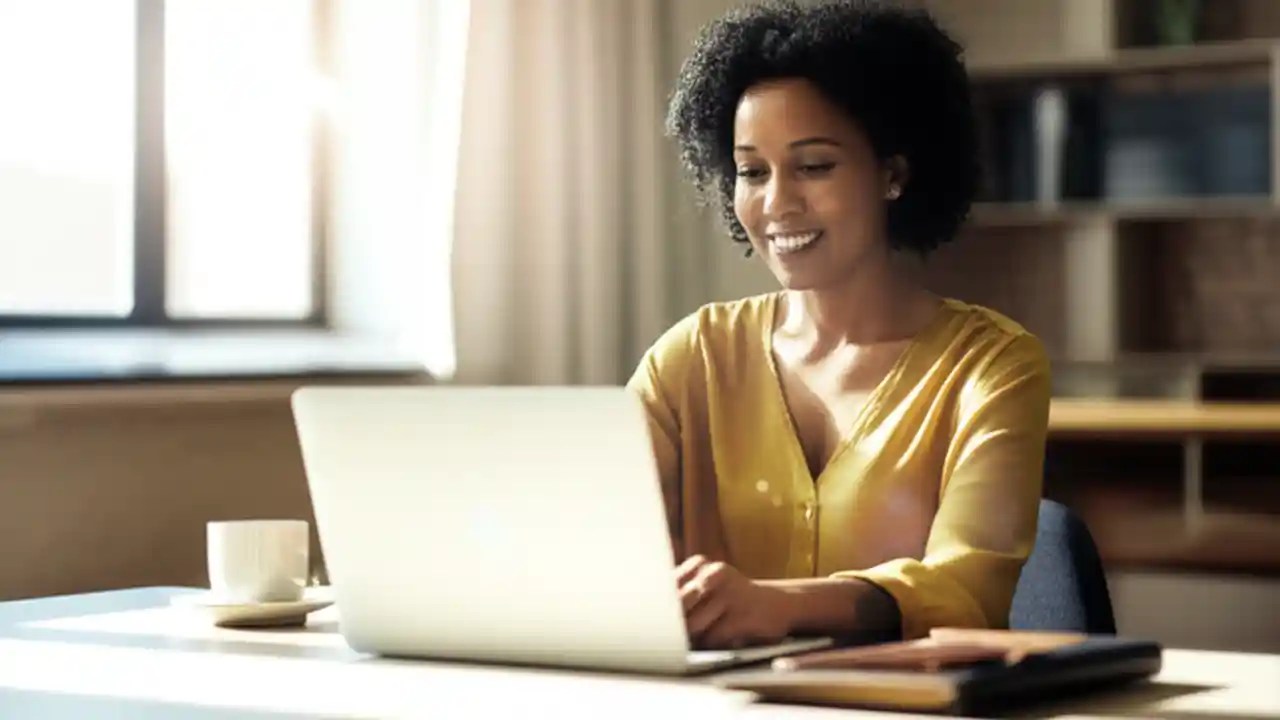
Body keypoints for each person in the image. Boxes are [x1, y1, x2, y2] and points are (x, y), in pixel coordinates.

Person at [627, 0, 1051, 649]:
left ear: (893, 173)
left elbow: (968, 590)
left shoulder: (989, 367)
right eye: (751, 171)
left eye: (814, 166)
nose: (775, 203)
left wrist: (781, 606)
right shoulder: (690, 358)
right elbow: (594, 544)